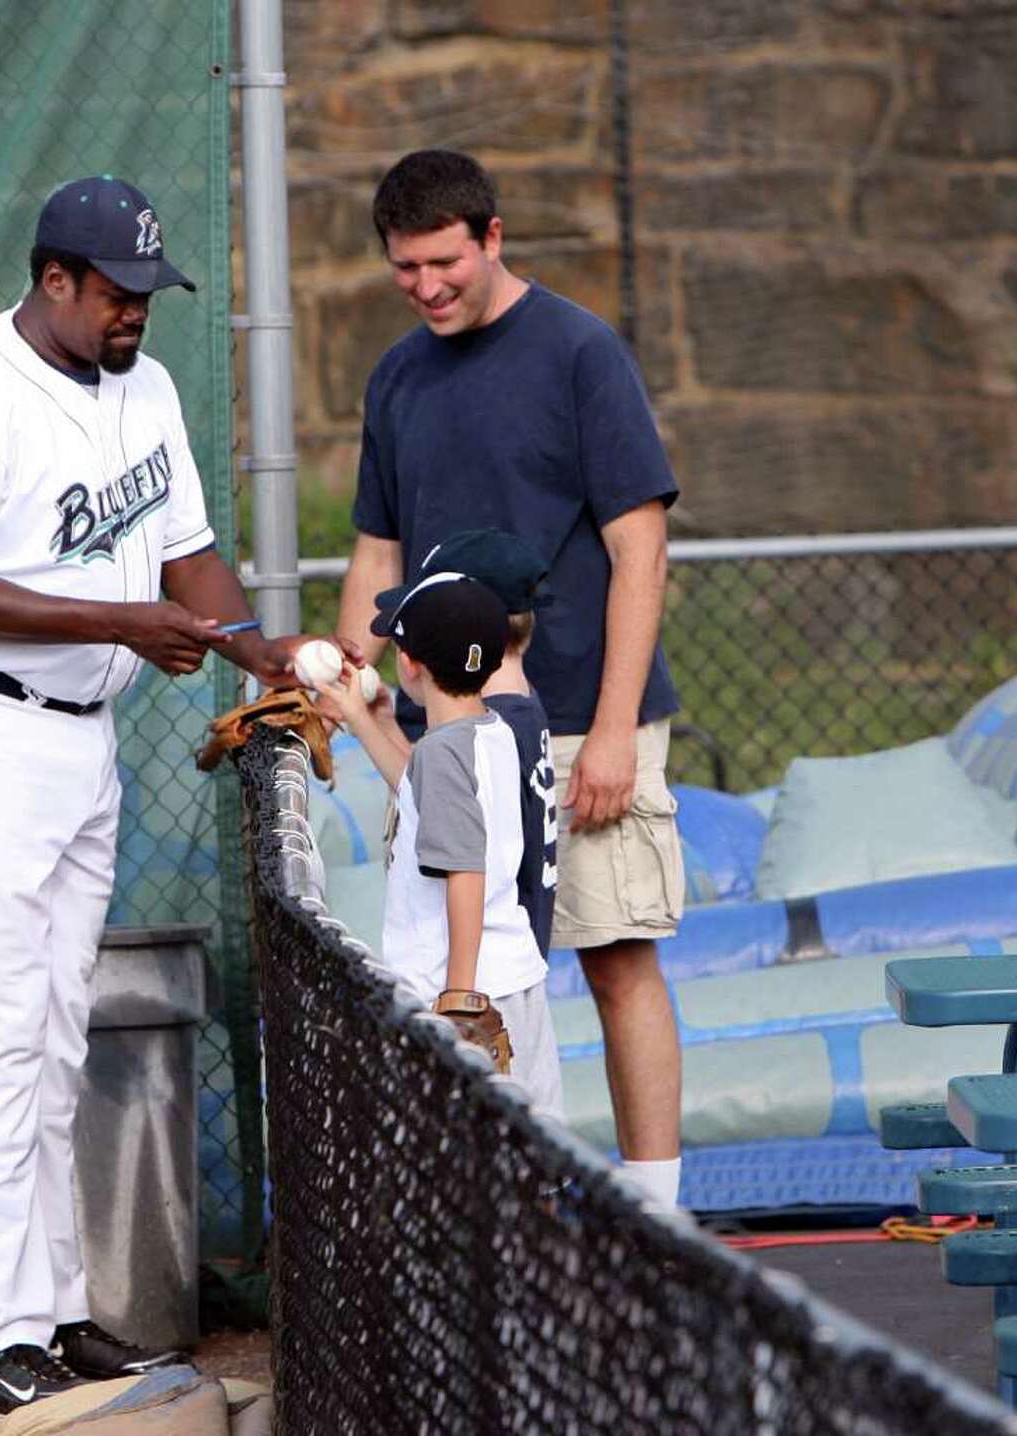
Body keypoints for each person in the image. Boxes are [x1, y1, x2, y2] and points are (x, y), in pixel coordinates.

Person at [0, 175, 334, 1421]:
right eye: (116, 292)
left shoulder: (145, 388)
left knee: (56, 1029)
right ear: (52, 278)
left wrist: (260, 651)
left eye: (148, 294)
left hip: (74, 731)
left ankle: (53, 1311)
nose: (135, 314)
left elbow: (183, 551)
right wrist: (123, 618)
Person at [336, 149, 686, 1210]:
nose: (427, 285)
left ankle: (656, 1220)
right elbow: (375, 556)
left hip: (581, 717)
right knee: (461, 977)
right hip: (446, 730)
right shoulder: (396, 374)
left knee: (614, 956)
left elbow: (641, 547)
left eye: (444, 261)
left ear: (492, 236)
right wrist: (352, 687)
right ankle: (488, 1223)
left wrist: (616, 728)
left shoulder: (581, 352)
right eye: (405, 268)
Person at [324, 571, 562, 1112]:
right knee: (534, 1153)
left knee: (464, 1164)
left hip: (462, 989)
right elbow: (418, 792)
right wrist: (364, 719)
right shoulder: (494, 728)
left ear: (409, 664)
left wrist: (458, 999)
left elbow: (465, 873)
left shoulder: (441, 754)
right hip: (515, 974)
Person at [361, 527, 558, 959]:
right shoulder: (517, 707)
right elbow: (435, 786)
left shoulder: (495, 724)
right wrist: (387, 726)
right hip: (509, 960)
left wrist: (361, 724)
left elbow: (433, 794)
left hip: (479, 970)